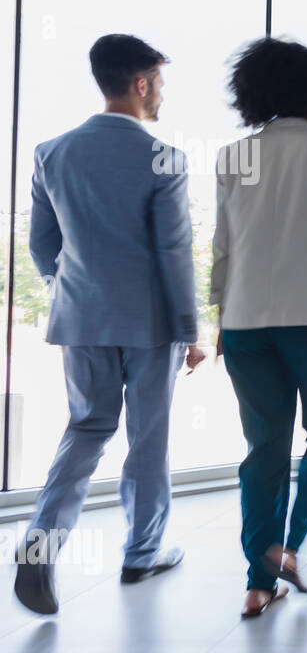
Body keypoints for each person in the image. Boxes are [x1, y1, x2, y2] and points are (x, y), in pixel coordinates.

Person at [14, 34, 205, 616]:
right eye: (160, 84)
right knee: (148, 438)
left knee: (87, 428)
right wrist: (189, 329)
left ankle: (41, 545)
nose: (162, 96)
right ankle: (142, 551)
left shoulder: (52, 151)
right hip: (150, 321)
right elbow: (174, 250)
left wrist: (76, 288)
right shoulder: (165, 158)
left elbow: (42, 245)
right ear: (142, 83)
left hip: (81, 317)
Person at [211, 37, 307, 618]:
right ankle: (290, 545)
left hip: (245, 323)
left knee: (264, 450)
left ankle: (258, 583)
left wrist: (219, 321)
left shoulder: (234, 155)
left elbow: (222, 249)